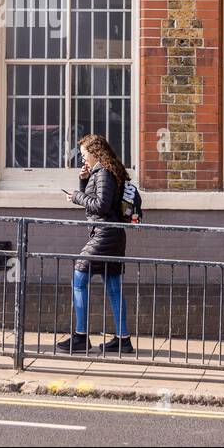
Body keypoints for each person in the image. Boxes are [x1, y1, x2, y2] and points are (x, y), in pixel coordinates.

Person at [57, 133, 133, 354]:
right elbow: (99, 203)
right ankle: (122, 340)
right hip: (113, 235)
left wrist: (75, 196)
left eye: (84, 155)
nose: (83, 159)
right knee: (113, 286)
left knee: (79, 278)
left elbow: (100, 206)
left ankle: (80, 337)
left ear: (94, 152)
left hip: (104, 235)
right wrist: (83, 181)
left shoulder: (104, 174)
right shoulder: (102, 172)